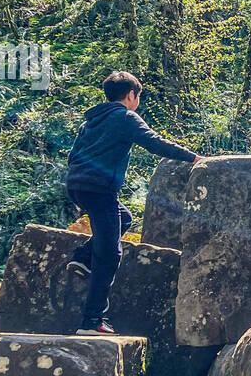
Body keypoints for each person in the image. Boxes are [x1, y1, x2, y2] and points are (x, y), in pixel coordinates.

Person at [65, 70, 203, 335]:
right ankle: (91, 322)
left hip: (78, 187)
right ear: (131, 95)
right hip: (99, 190)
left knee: (124, 218)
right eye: (137, 96)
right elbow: (154, 142)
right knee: (110, 254)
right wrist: (192, 158)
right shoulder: (125, 117)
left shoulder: (90, 122)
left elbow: (74, 156)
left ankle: (83, 257)